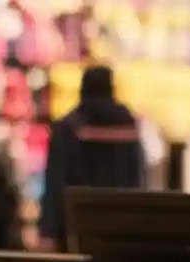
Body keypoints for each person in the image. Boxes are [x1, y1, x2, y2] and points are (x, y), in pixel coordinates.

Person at [37, 65, 146, 251]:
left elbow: (55, 181)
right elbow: (138, 179)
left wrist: (48, 231)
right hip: (120, 231)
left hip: (75, 229)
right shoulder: (129, 128)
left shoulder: (68, 128)